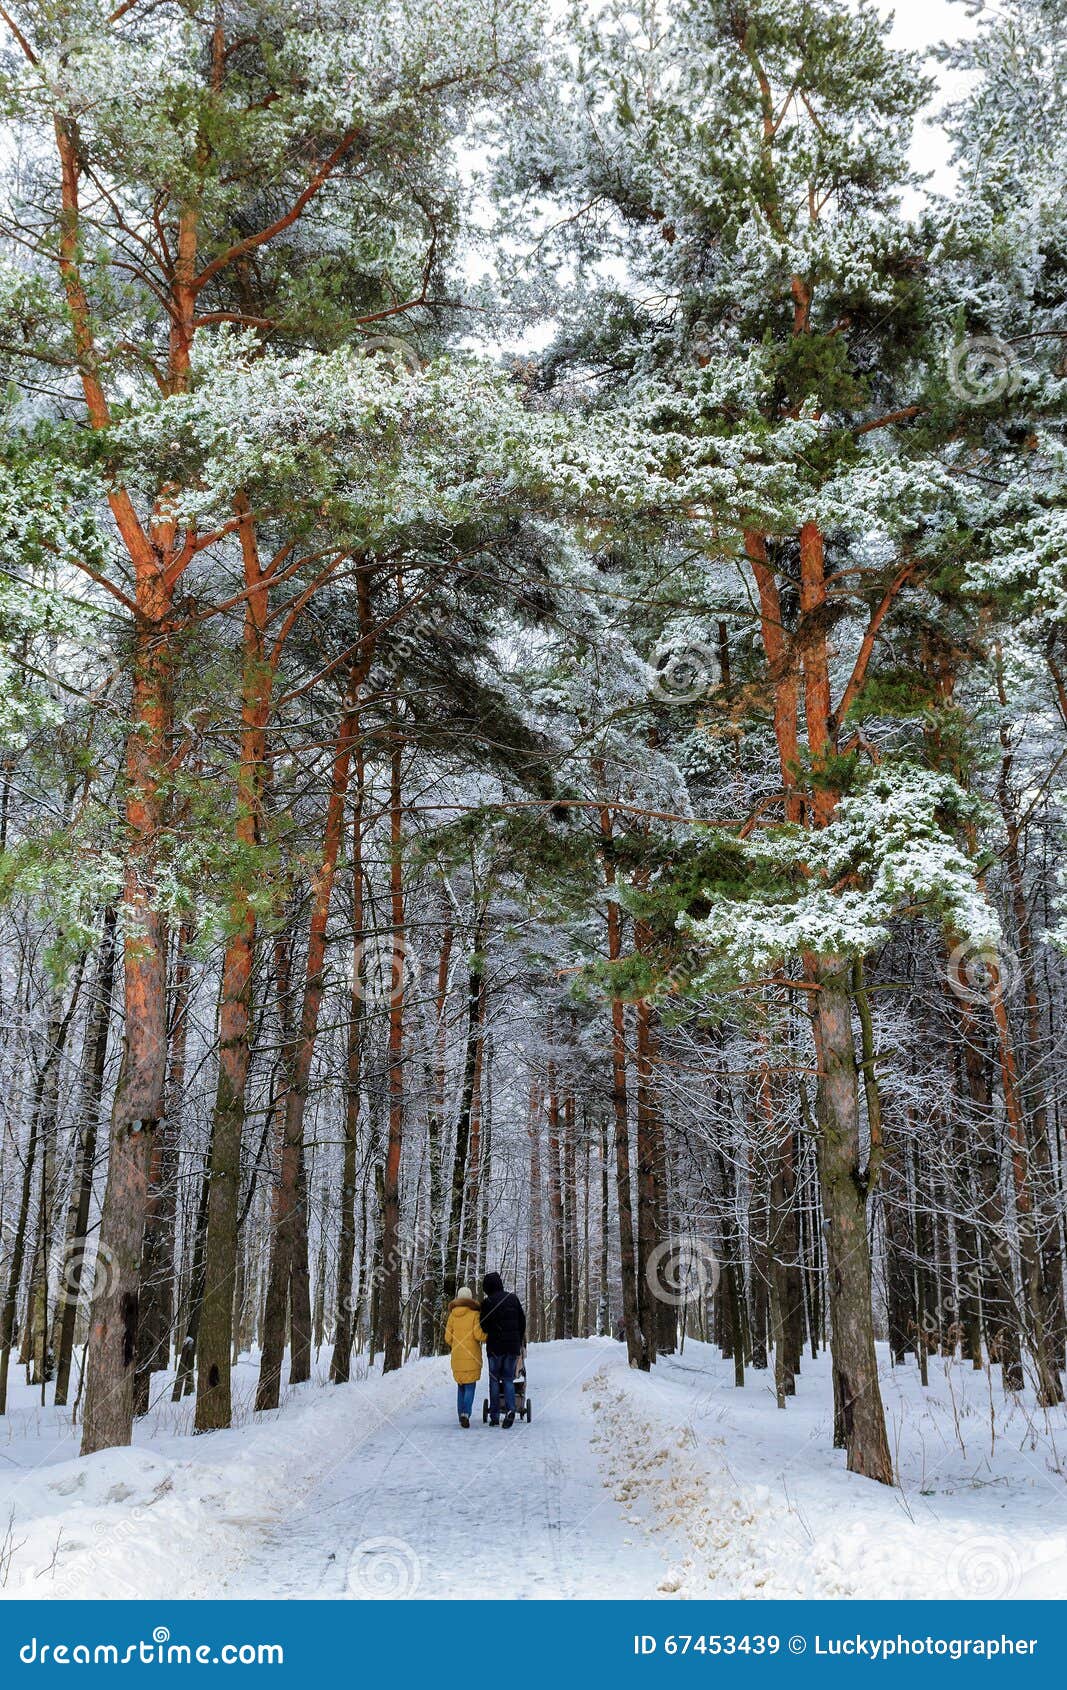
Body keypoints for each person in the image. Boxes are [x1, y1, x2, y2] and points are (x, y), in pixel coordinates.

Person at [480, 1270, 526, 1428]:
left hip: (495, 1348)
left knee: (494, 1380)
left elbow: (484, 1327)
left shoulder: (487, 1303)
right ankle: (511, 1410)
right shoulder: (513, 1298)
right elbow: (522, 1321)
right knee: (508, 1379)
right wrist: (518, 1340)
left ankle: (494, 1416)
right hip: (512, 1347)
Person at [444, 1286, 486, 1428]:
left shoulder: (452, 1316)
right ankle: (466, 1414)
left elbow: (447, 1337)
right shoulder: (474, 1314)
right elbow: (478, 1335)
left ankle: (460, 1414)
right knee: (470, 1386)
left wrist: (456, 1343)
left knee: (460, 1386)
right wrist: (488, 1336)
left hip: (457, 1357)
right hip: (472, 1356)